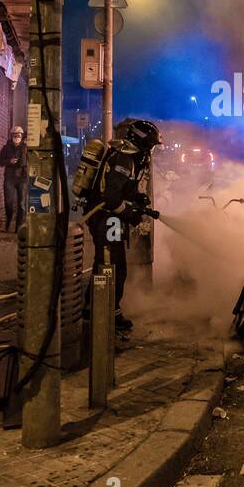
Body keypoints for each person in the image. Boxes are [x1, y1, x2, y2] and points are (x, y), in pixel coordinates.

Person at [82, 118, 161, 337]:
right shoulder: (125, 160)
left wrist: (139, 198)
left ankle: (92, 308)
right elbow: (111, 198)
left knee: (104, 263)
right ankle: (109, 314)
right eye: (151, 145)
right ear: (142, 142)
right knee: (113, 267)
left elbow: (125, 189)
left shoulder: (129, 159)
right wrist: (133, 216)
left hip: (110, 219)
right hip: (107, 220)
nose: (152, 150)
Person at [0, 126, 29, 232]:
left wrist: (26, 167)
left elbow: (31, 161)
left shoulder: (25, 148)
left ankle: (19, 227)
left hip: (22, 179)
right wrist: (9, 161)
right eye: (14, 135)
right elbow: (0, 162)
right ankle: (9, 219)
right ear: (11, 136)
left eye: (18, 135)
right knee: (8, 203)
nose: (16, 137)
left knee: (21, 204)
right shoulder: (6, 148)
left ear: (22, 136)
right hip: (9, 178)